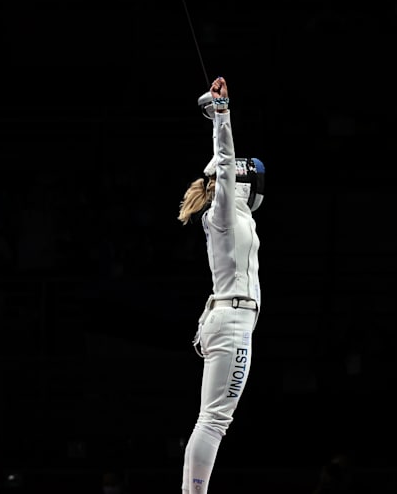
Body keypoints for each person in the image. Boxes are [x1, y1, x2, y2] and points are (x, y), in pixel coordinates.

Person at [176, 76, 265, 494]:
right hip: (231, 322)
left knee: (212, 419)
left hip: (229, 318)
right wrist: (222, 115)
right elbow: (225, 161)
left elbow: (221, 167)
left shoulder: (233, 217)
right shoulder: (224, 214)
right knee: (213, 420)